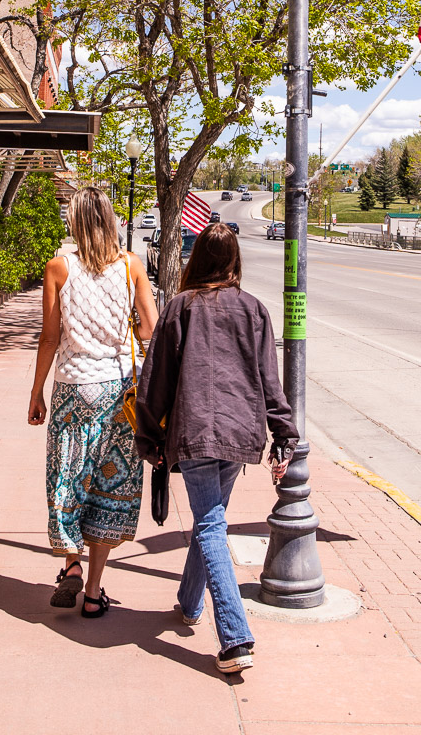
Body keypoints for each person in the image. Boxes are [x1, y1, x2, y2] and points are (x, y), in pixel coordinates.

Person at [134, 223, 298, 674]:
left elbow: (156, 382)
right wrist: (283, 434)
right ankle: (189, 605)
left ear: (197, 259)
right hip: (240, 432)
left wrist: (148, 437)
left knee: (209, 524)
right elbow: (270, 381)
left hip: (195, 430)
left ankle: (235, 637)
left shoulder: (179, 308)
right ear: (234, 261)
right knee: (212, 519)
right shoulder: (254, 311)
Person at [28, 186, 158, 616]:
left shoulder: (59, 268)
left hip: (73, 387)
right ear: (111, 221)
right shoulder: (131, 267)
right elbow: (149, 329)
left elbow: (49, 337)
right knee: (109, 483)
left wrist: (37, 392)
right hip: (119, 390)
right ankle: (95, 591)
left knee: (69, 476)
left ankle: (71, 566)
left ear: (76, 223)